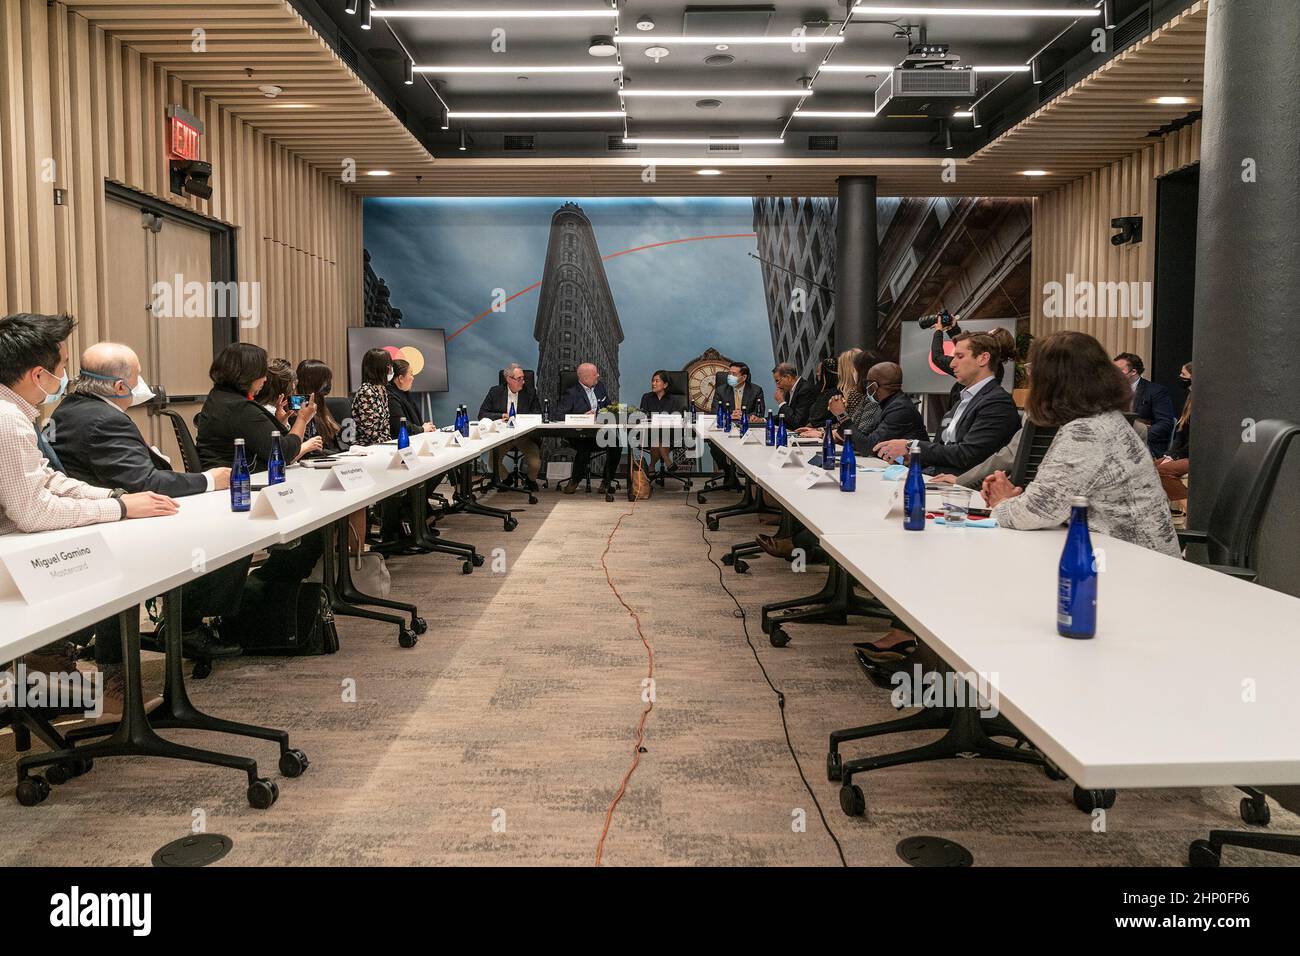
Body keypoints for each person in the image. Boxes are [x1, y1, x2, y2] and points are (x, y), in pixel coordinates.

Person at [0, 313, 178, 699]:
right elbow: (35, 513)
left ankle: (51, 678)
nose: (66, 376)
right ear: (37, 375)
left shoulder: (16, 413)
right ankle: (77, 678)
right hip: (13, 558)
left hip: (16, 547)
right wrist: (121, 509)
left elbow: (49, 479)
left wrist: (113, 498)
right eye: (62, 366)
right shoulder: (7, 420)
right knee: (113, 564)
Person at [51, 342, 244, 668]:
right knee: (231, 529)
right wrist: (210, 480)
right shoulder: (104, 420)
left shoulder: (71, 409)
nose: (143, 384)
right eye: (138, 376)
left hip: (100, 521)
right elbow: (147, 483)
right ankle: (185, 626)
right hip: (115, 529)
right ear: (118, 386)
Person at [984, 331, 1179, 557]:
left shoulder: (1087, 432)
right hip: (1135, 559)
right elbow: (1051, 502)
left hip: (1130, 568)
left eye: (1032, 370)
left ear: (1050, 380)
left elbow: (1037, 512)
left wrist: (1002, 503)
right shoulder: (1106, 420)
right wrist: (1017, 499)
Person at [873, 332, 1020, 474]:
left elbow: (968, 455)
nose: (952, 364)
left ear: (983, 359)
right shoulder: (964, 400)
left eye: (959, 356)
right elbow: (944, 449)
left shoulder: (997, 403)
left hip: (962, 488)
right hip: (938, 476)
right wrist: (912, 458)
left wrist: (911, 446)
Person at [196, 343, 321, 470]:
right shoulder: (240, 408)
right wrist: (302, 419)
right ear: (249, 375)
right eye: (262, 374)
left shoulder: (218, 397)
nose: (265, 379)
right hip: (238, 480)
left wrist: (277, 424)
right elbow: (284, 453)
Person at [478, 362, 542, 488]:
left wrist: (522, 420)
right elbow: (482, 414)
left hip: (524, 437)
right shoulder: (495, 392)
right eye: (519, 379)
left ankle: (530, 481)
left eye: (523, 378)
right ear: (508, 379)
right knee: (492, 463)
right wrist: (501, 416)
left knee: (535, 464)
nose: (523, 382)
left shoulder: (530, 393)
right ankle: (507, 479)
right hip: (503, 437)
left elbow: (538, 415)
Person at [558, 362, 618, 494]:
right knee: (584, 447)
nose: (598, 375)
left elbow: (608, 406)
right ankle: (574, 481)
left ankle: (606, 482)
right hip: (578, 434)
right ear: (584, 378)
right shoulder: (571, 393)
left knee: (617, 443)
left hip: (598, 432)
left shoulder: (600, 387)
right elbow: (559, 415)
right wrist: (582, 417)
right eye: (595, 374)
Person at [853, 362, 928, 454]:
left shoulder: (900, 409)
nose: (866, 386)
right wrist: (844, 436)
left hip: (914, 466)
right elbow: (866, 437)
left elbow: (870, 447)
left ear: (874, 386)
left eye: (867, 382)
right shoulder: (888, 403)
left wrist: (842, 416)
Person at [1113, 351, 1175, 457]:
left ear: (1133, 372)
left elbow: (1165, 423)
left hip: (1145, 445)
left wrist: (1140, 434)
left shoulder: (1155, 391)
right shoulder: (1108, 391)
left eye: (1119, 371)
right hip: (1114, 443)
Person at [1156, 361, 1192, 510]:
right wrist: (1169, 455)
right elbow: (1180, 435)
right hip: (1183, 454)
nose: (1180, 377)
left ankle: (1190, 510)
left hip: (1195, 457)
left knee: (1162, 471)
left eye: (1184, 374)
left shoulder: (1202, 403)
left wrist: (1174, 457)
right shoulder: (1190, 398)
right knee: (1148, 468)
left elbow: (1195, 442)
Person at [639, 369, 685, 476]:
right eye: (652, 381)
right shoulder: (646, 397)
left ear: (665, 385)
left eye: (657, 381)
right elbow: (643, 415)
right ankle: (668, 461)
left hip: (670, 434)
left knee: (661, 436)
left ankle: (651, 466)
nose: (653, 384)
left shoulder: (673, 400)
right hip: (649, 433)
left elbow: (677, 417)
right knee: (657, 435)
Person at [293, 358, 343, 453]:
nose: (329, 384)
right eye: (326, 380)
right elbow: (310, 447)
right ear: (314, 381)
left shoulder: (319, 401)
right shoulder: (300, 405)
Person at [352, 347, 393, 448]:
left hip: (382, 444)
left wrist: (389, 442)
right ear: (379, 368)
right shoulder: (366, 391)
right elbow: (368, 429)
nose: (391, 369)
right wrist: (387, 445)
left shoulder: (382, 389)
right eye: (388, 365)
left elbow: (386, 424)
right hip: (366, 447)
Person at [387, 358, 436, 439]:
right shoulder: (391, 397)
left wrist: (427, 428)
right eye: (411, 374)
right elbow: (400, 425)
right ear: (401, 378)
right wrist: (422, 429)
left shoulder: (405, 394)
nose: (413, 378)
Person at [772, 361, 814, 429]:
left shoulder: (805, 389)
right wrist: (763, 420)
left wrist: (781, 402)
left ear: (788, 378)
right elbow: (782, 416)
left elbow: (797, 423)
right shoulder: (789, 391)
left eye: (777, 381)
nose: (777, 385)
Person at [255, 357, 295, 430]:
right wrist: (302, 419)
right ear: (283, 387)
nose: (293, 386)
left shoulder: (261, 406)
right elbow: (286, 441)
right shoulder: (270, 411)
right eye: (292, 382)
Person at [805, 356, 839, 427]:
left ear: (827, 373)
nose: (817, 374)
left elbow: (818, 420)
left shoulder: (834, 394)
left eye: (819, 371)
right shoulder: (819, 392)